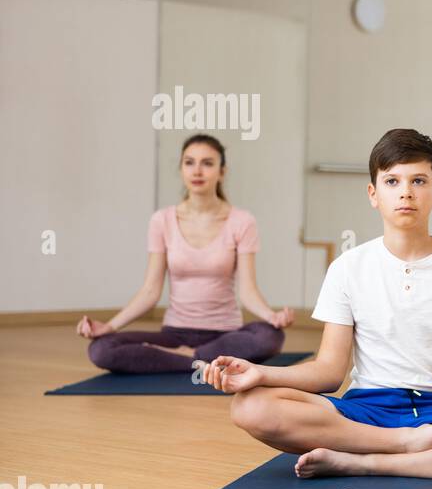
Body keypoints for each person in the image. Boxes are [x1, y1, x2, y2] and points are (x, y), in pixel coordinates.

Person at [202, 128, 432, 481]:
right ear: (373, 194)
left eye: (418, 181)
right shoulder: (346, 268)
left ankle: (363, 461)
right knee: (250, 405)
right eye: (392, 181)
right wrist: (261, 373)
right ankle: (405, 444)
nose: (406, 192)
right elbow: (328, 372)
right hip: (365, 408)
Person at [76, 134, 289, 373]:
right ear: (181, 169)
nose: (197, 170)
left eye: (207, 163)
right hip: (174, 334)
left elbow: (248, 291)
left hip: (226, 335)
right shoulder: (161, 220)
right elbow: (150, 291)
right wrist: (110, 326)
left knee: (269, 337)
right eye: (189, 162)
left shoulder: (242, 221)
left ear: (222, 172)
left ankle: (191, 358)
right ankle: (201, 361)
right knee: (101, 349)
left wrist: (273, 317)